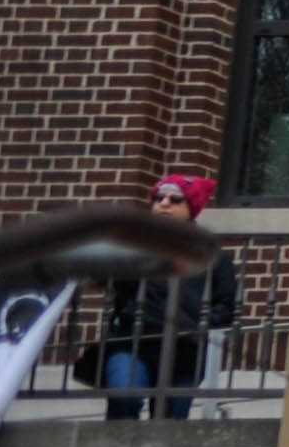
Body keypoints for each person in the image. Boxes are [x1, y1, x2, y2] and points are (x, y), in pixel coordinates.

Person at [98, 171, 236, 421]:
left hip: (185, 351)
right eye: (158, 197)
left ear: (191, 208)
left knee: (171, 419)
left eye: (175, 200)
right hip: (132, 342)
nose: (163, 203)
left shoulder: (214, 257)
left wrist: (196, 327)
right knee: (124, 396)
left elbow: (226, 306)